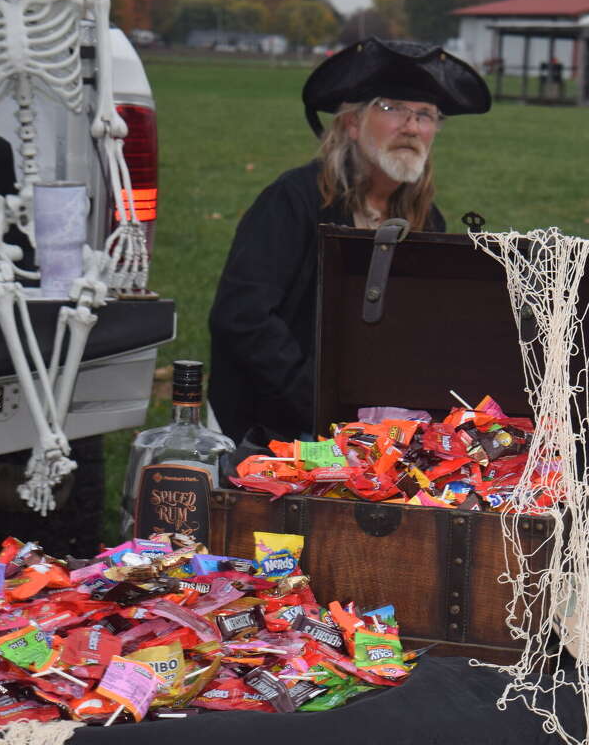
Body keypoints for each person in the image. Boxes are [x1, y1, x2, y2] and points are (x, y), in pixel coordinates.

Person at [208, 39, 491, 445]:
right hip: (279, 426)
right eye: (393, 109)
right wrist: (318, 402)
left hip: (379, 429)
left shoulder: (426, 219)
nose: (411, 127)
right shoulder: (294, 199)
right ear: (352, 124)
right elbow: (242, 317)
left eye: (425, 116)